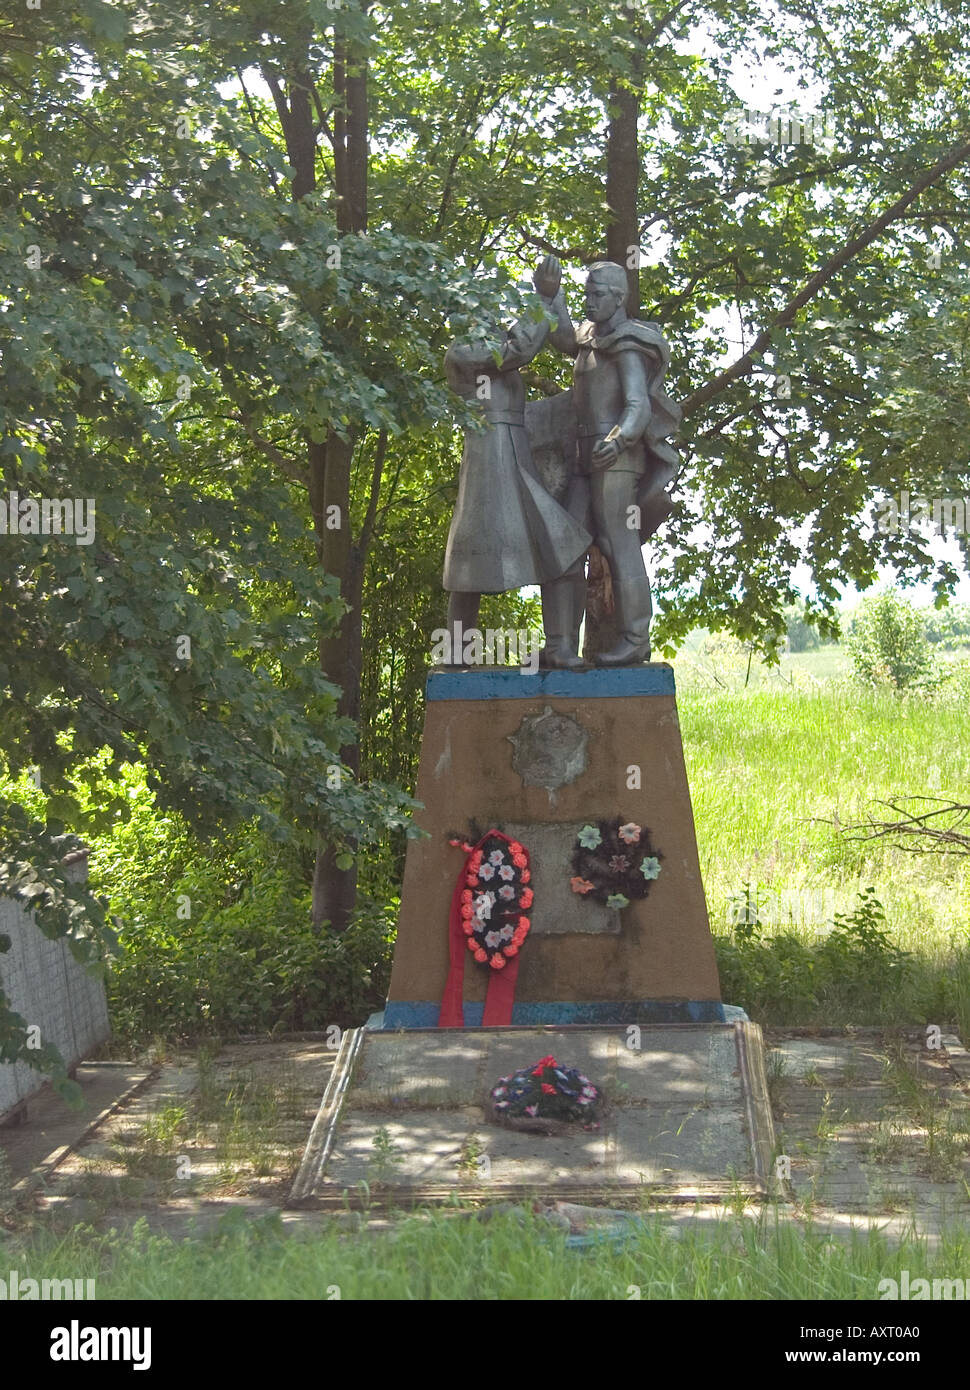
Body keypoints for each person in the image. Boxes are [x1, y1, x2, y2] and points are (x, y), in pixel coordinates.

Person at [441, 257, 591, 663]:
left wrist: (554, 298)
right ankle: (456, 652)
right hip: (490, 459)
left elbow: (564, 341)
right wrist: (541, 297)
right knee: (473, 557)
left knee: (558, 541)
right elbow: (520, 349)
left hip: (513, 451)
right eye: (484, 306)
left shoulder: (491, 346)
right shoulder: (466, 350)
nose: (493, 313)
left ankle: (559, 645)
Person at [540, 260, 681, 668]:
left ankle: (636, 638)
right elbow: (564, 337)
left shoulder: (627, 343)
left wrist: (617, 442)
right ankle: (560, 645)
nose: (588, 302)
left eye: (596, 294)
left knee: (620, 543)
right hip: (583, 455)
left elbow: (637, 406)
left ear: (618, 298)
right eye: (585, 293)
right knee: (567, 544)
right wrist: (551, 295)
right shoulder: (589, 337)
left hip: (616, 459)